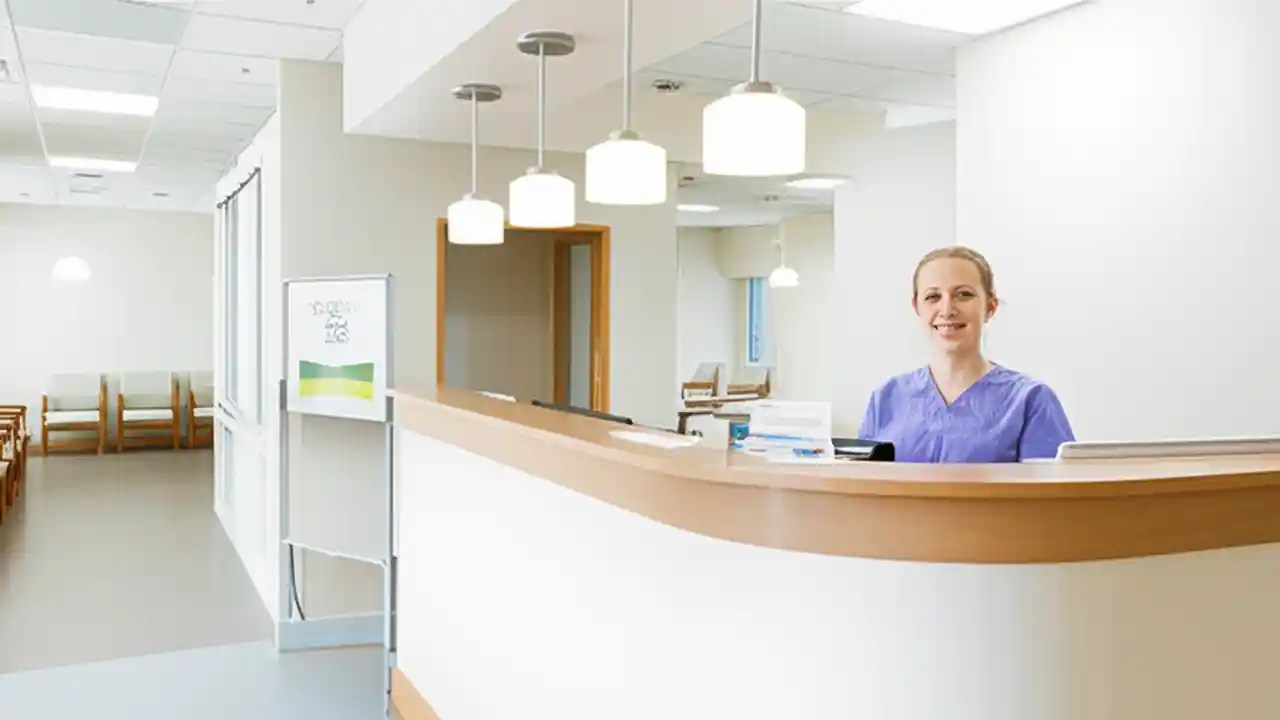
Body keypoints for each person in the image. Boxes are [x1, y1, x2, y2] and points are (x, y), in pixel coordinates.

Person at [858, 246, 1074, 463]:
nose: (947, 309)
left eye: (963, 295)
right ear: (917, 307)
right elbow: (862, 487)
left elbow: (1052, 493)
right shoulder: (886, 399)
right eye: (933, 296)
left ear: (990, 307)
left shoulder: (1030, 400)